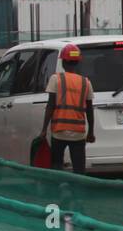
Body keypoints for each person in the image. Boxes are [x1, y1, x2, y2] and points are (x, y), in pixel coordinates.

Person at [40, 43, 95, 174]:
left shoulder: (55, 79)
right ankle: (79, 191)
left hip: (59, 131)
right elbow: (90, 110)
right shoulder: (85, 82)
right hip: (78, 133)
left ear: (63, 62)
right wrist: (91, 132)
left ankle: (58, 190)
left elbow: (50, 105)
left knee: (57, 166)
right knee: (79, 168)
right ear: (77, 63)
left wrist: (43, 129)